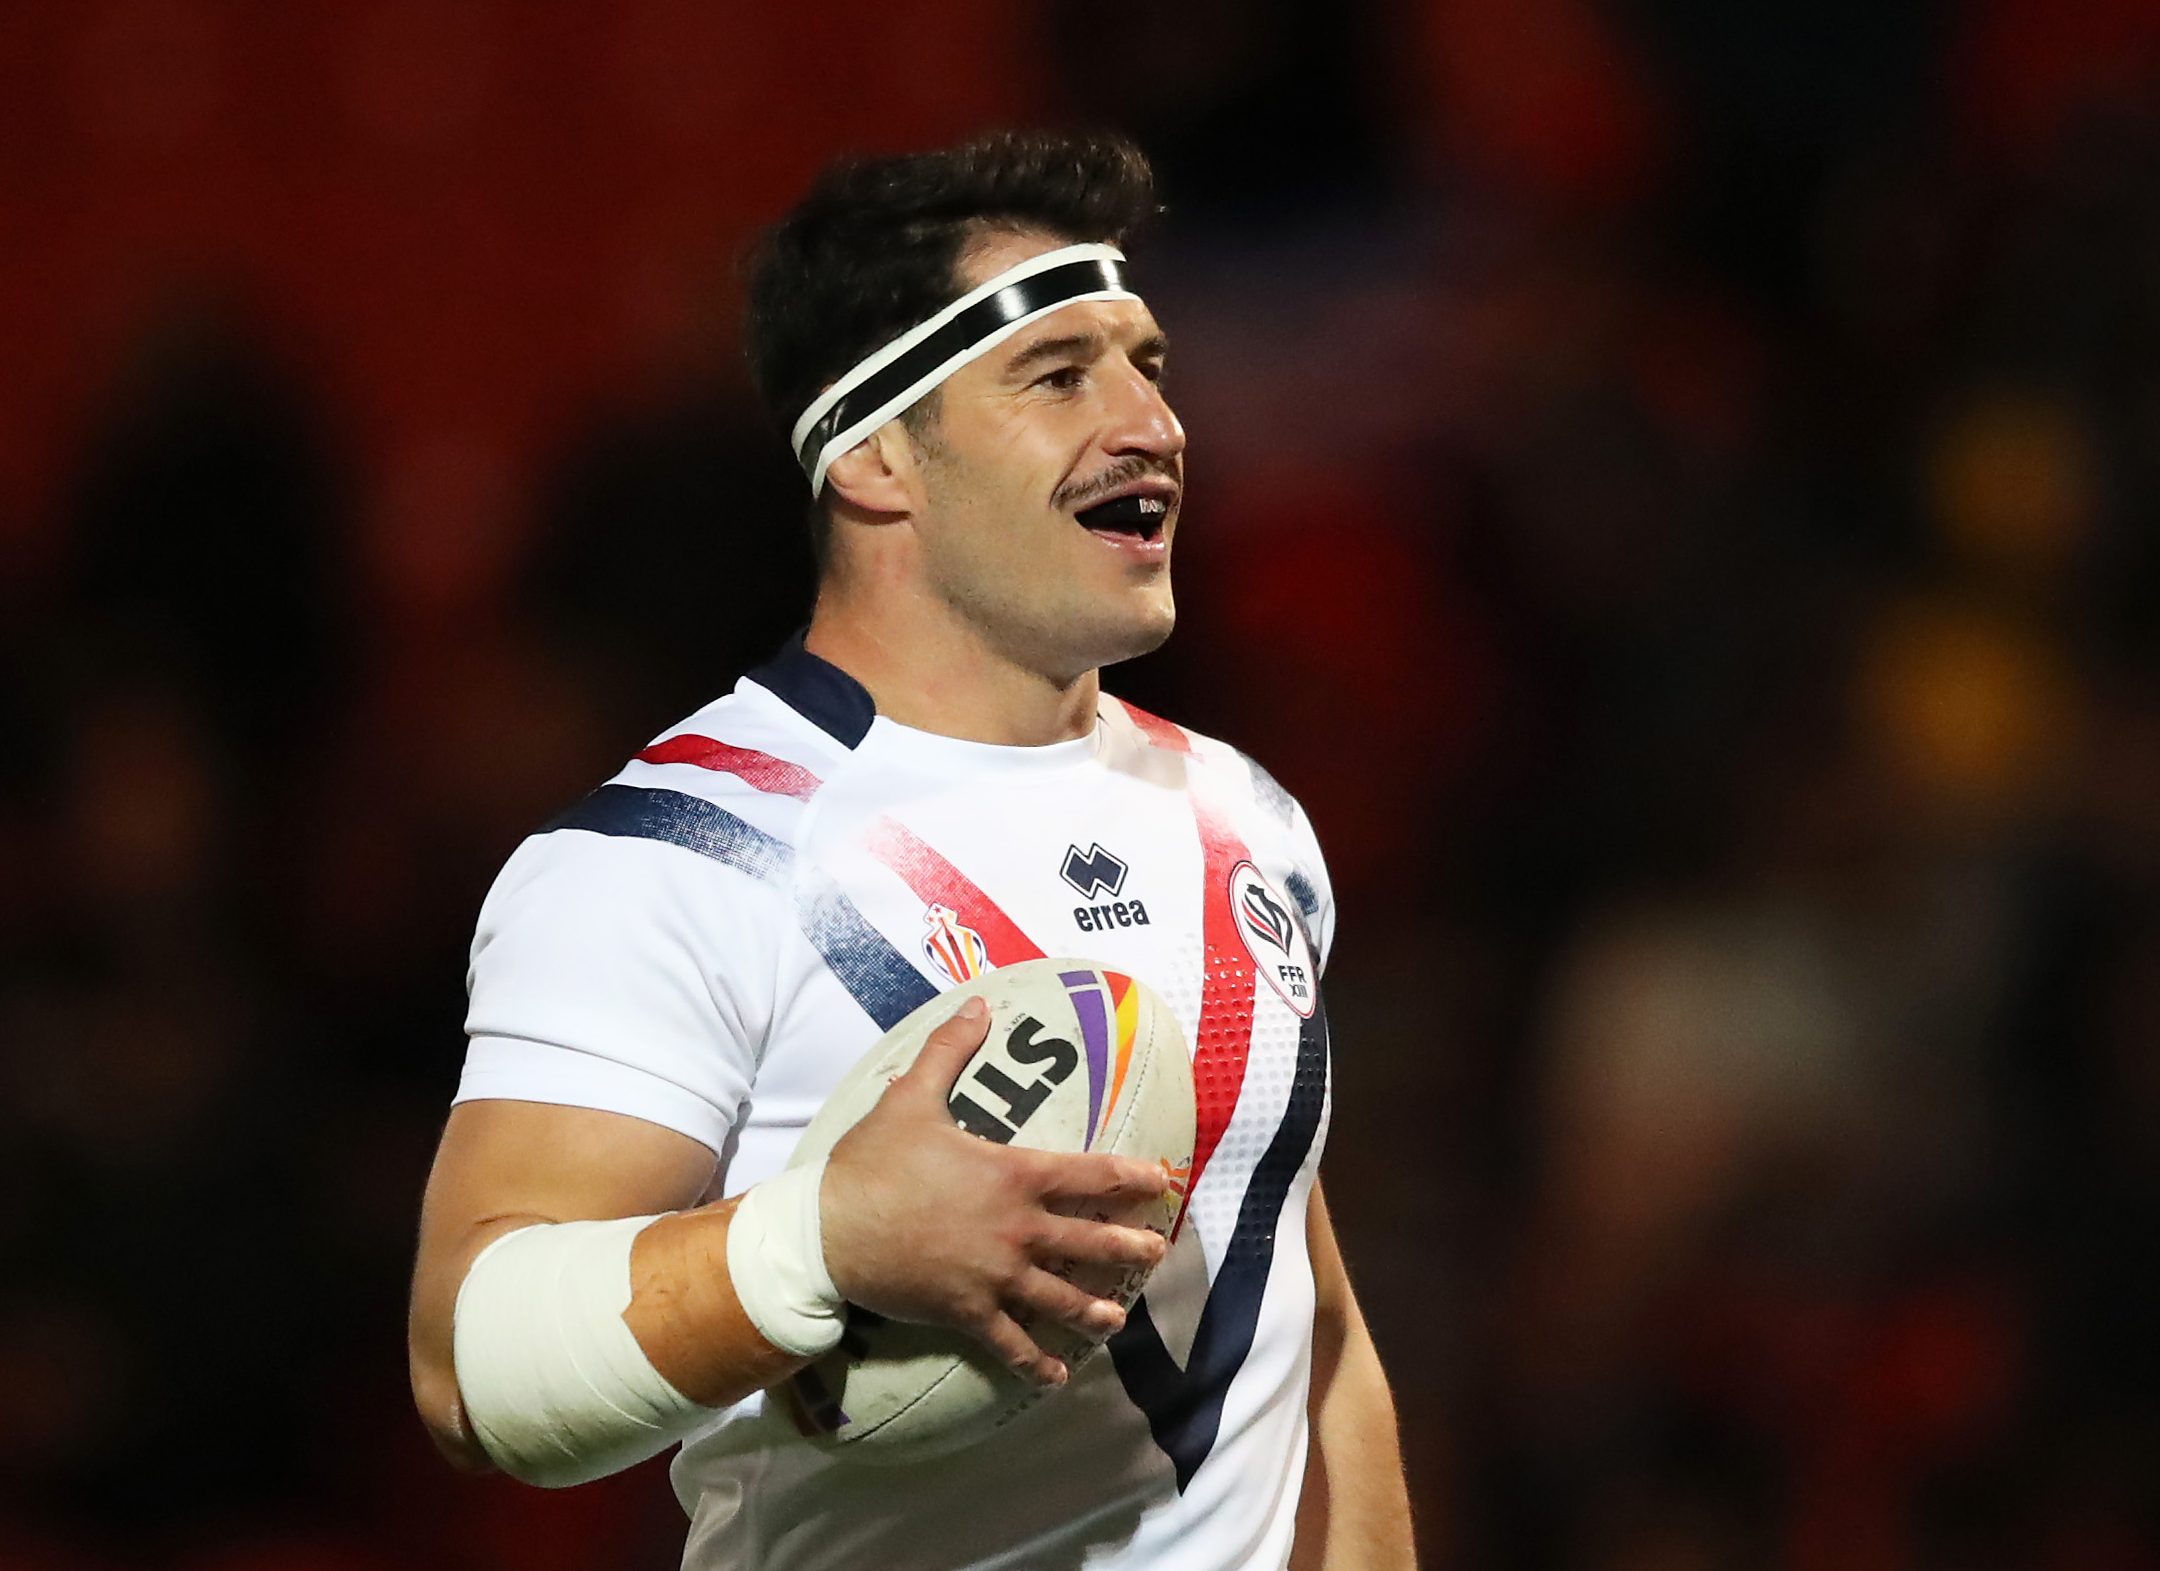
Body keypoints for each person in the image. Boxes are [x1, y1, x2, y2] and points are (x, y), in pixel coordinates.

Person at [407, 129, 1415, 1571]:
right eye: (1059, 376)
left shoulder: (1245, 816)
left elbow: (1311, 1347)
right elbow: (469, 1368)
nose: (1152, 422)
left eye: (1149, 366)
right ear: (877, 456)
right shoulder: (677, 856)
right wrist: (819, 1244)